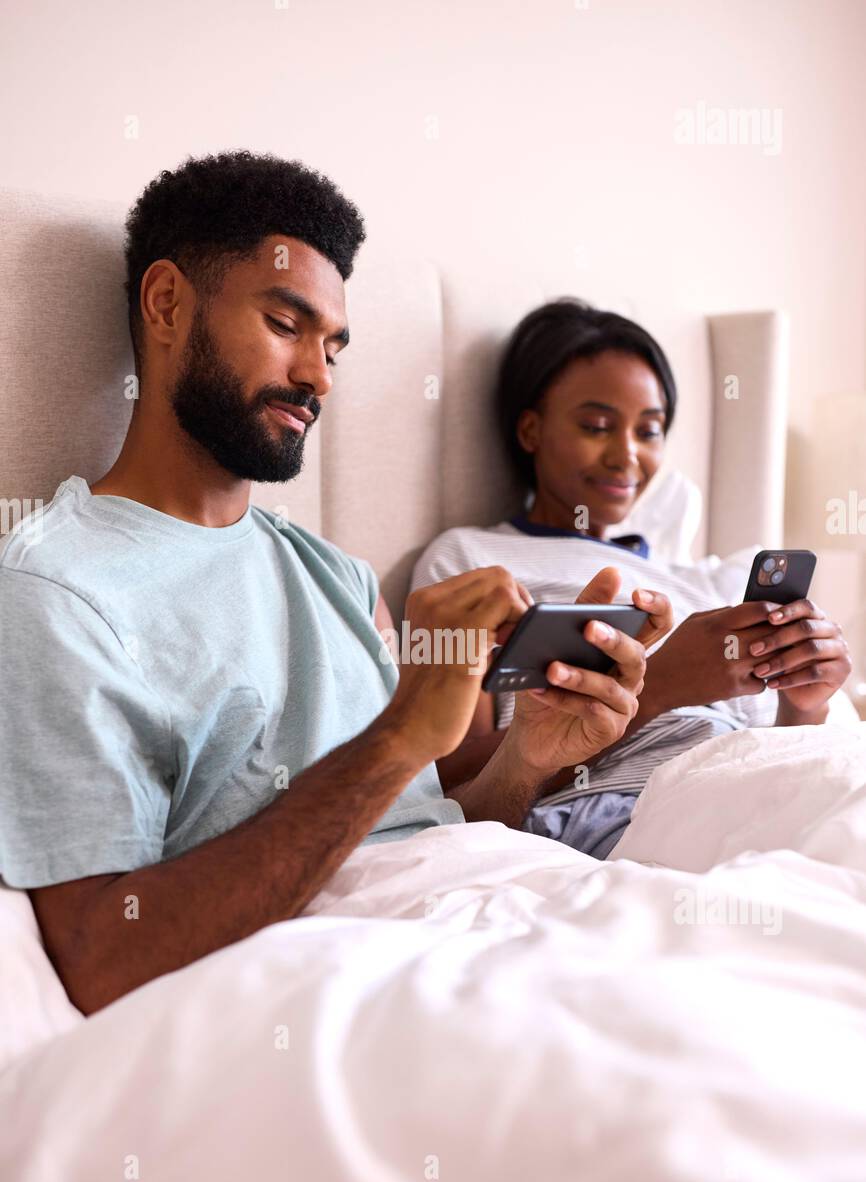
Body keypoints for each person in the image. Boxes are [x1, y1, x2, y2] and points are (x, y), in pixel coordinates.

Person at [0, 154, 670, 1017]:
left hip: (514, 917)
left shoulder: (340, 577)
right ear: (167, 304)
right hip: (358, 992)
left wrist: (527, 761)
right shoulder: (58, 589)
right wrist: (396, 738)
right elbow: (103, 957)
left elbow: (420, 834)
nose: (318, 377)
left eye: (333, 348)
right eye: (286, 323)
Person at [411, 299, 852, 859]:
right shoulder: (473, 560)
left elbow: (771, 755)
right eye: (596, 426)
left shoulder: (704, 583)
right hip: (619, 805)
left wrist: (805, 705)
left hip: (765, 785)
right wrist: (661, 685)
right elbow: (441, 774)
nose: (627, 455)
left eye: (649, 431)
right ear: (530, 429)